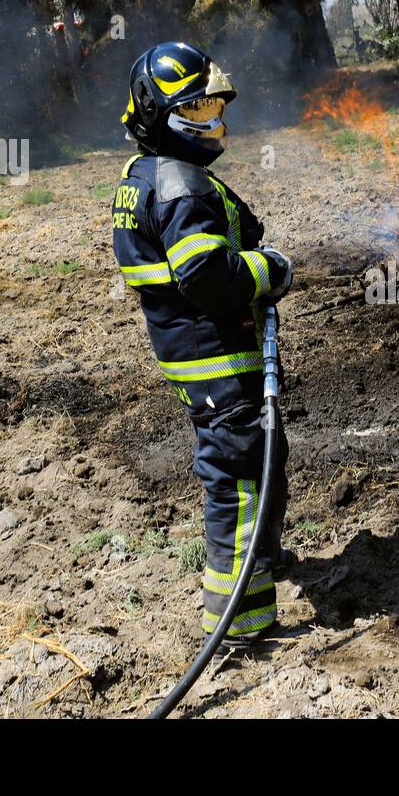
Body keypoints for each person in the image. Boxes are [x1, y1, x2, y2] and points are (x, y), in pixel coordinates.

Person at [112, 41, 293, 644]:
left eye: (214, 108)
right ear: (155, 114)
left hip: (193, 359)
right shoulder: (183, 187)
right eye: (194, 112)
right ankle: (240, 621)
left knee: (253, 463)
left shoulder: (142, 177)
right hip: (218, 358)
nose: (212, 124)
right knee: (239, 480)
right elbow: (207, 277)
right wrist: (270, 271)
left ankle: (258, 570)